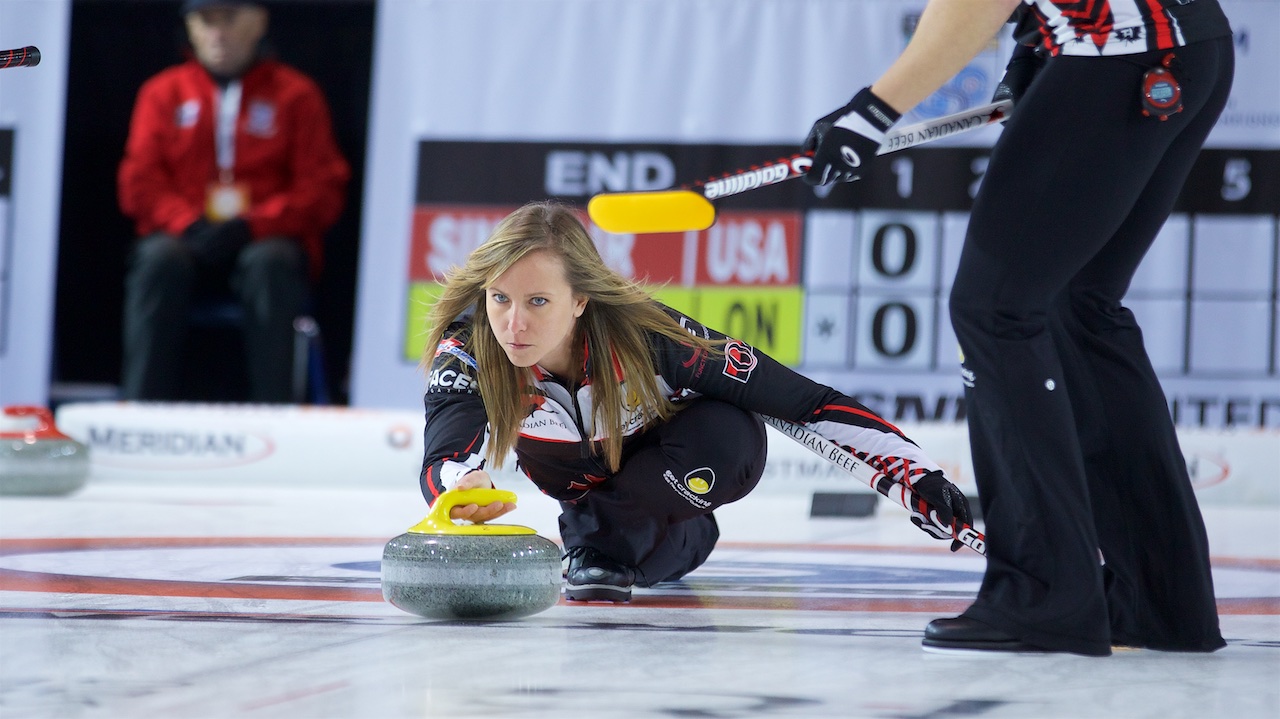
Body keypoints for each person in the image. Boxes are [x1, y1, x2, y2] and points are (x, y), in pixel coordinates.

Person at [801, 0, 1232, 655]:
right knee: (1077, 305)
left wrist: (874, 109)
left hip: (1121, 55)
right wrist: (1036, 44)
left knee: (996, 308)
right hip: (1184, 49)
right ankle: (1161, 600)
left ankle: (1044, 593)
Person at [417, 201, 973, 603]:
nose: (513, 324)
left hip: (678, 497)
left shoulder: (652, 336)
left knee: (730, 435)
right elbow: (446, 447)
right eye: (499, 299)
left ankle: (598, 541)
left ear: (581, 298)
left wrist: (914, 475)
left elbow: (804, 401)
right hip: (601, 514)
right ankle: (599, 545)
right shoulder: (468, 351)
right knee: (617, 561)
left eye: (538, 300)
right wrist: (459, 489)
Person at [117, 0, 349, 402]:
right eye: (206, 21)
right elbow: (139, 181)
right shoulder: (162, 92)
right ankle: (139, 413)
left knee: (271, 262)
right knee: (156, 261)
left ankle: (276, 418)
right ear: (189, 27)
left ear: (259, 21)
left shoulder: (297, 94)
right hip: (187, 238)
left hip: (262, 241)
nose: (217, 33)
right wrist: (186, 223)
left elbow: (322, 186)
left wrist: (252, 224)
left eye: (230, 19)